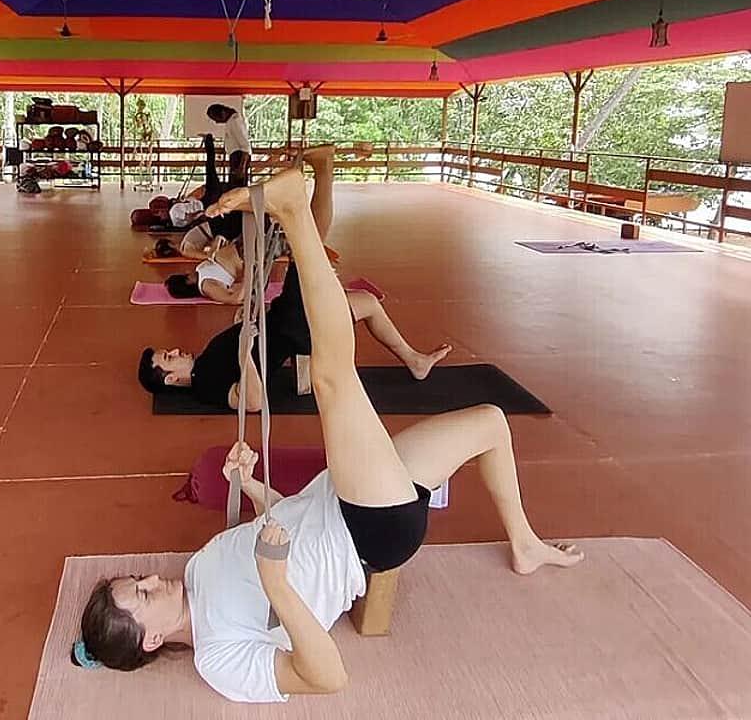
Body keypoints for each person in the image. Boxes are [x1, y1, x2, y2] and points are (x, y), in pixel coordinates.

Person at [75, 166, 585, 701]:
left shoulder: (200, 568)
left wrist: (251, 487)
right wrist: (277, 586)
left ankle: (525, 545)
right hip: (367, 530)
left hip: (341, 493)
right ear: (151, 639)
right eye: (142, 593)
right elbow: (326, 679)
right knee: (332, 377)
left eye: (139, 578)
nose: (153, 579)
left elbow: (283, 524)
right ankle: (295, 210)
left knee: (490, 422)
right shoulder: (218, 658)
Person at [141, 145, 451, 409]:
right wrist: (244, 348)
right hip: (294, 324)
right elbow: (253, 402)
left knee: (368, 302)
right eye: (169, 357)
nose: (176, 350)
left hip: (284, 319)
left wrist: (244, 324)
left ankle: (415, 361)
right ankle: (323, 171)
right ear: (171, 378)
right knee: (307, 244)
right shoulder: (205, 384)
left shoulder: (204, 362)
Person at [206, 103, 251, 189]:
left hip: (239, 157)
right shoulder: (231, 121)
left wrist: (241, 167)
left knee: (237, 188)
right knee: (233, 186)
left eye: (217, 118)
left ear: (223, 113)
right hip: (236, 157)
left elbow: (245, 146)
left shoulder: (235, 121)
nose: (217, 122)